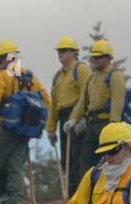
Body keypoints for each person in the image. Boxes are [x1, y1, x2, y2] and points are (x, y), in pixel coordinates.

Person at [0, 41, 51, 204]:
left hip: (6, 129)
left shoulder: (3, 75)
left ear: (4, 58)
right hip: (25, 132)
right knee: (16, 167)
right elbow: (47, 100)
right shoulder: (29, 77)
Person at [66, 40, 128, 184]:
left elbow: (117, 102)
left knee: (111, 161)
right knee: (86, 163)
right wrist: (74, 118)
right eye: (93, 57)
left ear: (108, 57)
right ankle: (88, 195)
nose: (95, 60)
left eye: (98, 57)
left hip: (107, 124)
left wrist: (114, 126)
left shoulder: (115, 75)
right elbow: (83, 101)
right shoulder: (92, 77)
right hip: (92, 125)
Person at [49, 36, 89, 188]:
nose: (61, 54)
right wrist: (51, 129)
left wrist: (81, 118)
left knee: (76, 159)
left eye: (64, 51)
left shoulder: (81, 70)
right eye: (59, 51)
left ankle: (76, 194)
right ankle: (71, 193)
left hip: (77, 118)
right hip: (63, 118)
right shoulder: (58, 76)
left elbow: (87, 95)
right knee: (66, 160)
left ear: (74, 52)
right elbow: (54, 104)